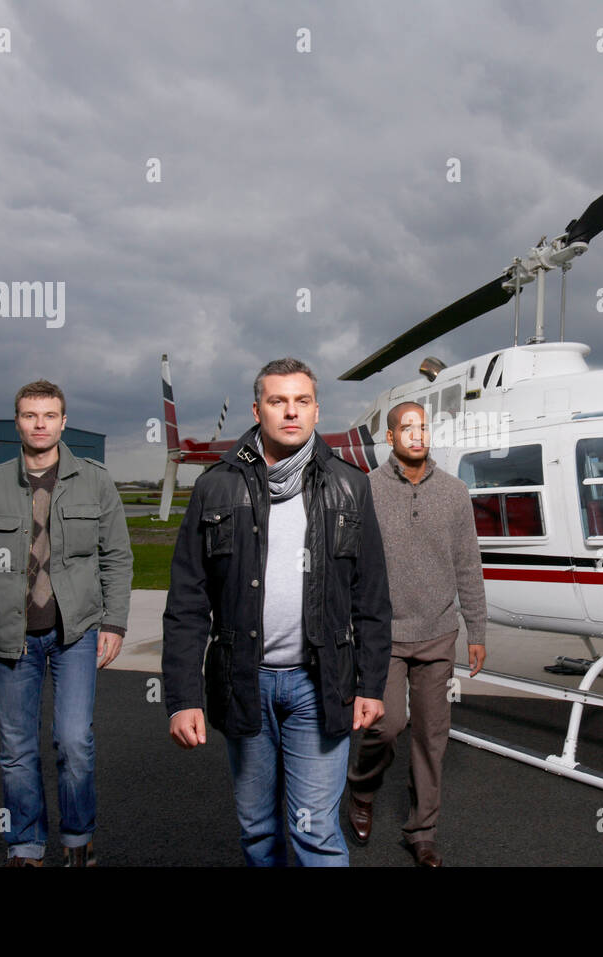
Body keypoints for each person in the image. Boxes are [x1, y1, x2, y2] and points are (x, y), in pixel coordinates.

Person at [161, 357, 391, 866]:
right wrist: (182, 698)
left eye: (302, 401)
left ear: (316, 409)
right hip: (245, 681)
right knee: (259, 832)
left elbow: (371, 598)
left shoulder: (352, 486)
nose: (291, 412)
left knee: (315, 833)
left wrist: (371, 685)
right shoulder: (215, 487)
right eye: (277, 401)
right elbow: (187, 604)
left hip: (320, 683)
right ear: (257, 409)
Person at [0, 380, 132, 866]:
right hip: (12, 638)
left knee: (73, 740)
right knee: (17, 749)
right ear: (17, 421)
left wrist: (115, 623)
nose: (39, 424)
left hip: (76, 633)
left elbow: (117, 558)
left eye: (49, 415)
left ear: (64, 422)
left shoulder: (96, 480)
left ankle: (78, 838)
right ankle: (25, 845)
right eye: (29, 415)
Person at [345, 401, 486, 867]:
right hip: (382, 635)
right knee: (386, 726)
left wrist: (476, 629)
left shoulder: (454, 492)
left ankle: (421, 832)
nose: (416, 434)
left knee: (432, 735)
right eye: (407, 428)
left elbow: (468, 566)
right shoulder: (365, 491)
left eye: (422, 427)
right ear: (391, 437)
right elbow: (351, 563)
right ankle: (362, 789)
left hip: (438, 632)